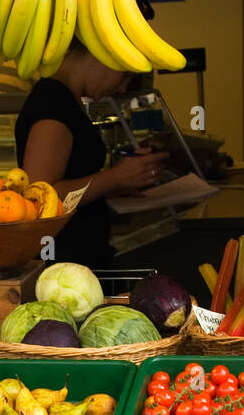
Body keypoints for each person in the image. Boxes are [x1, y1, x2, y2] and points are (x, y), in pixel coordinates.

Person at [14, 39, 169, 270]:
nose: (123, 88)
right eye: (124, 75)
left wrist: (117, 185)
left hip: (77, 258)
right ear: (100, 53)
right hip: (64, 263)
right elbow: (40, 196)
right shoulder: (54, 103)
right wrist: (116, 177)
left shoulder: (66, 99)